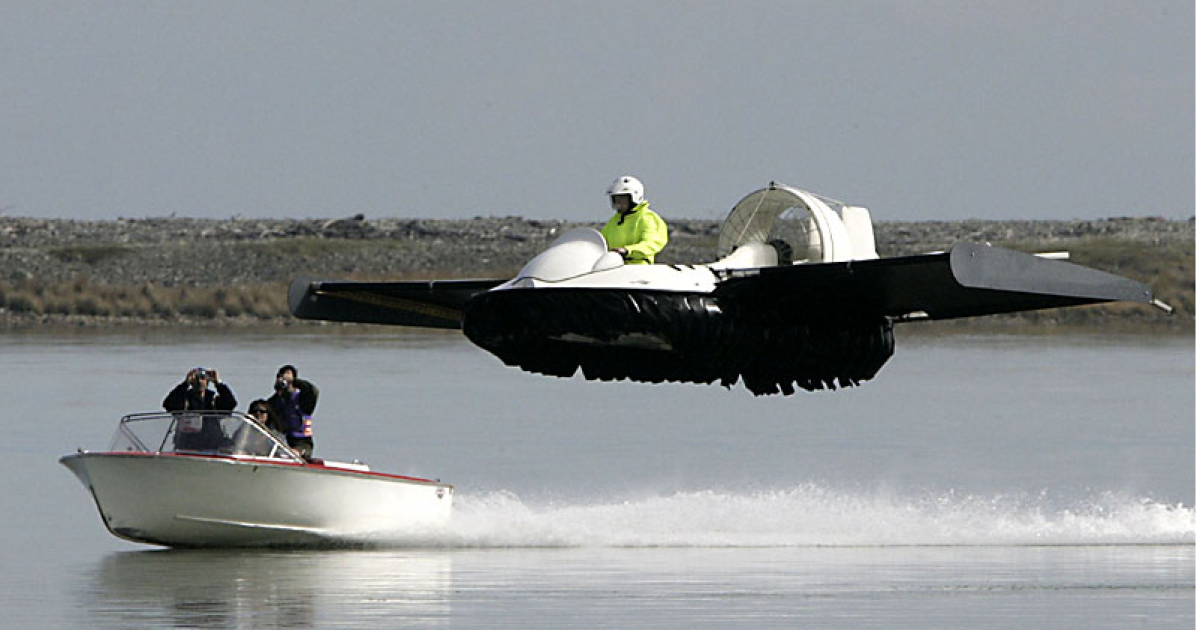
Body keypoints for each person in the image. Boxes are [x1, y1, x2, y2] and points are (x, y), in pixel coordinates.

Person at [162, 368, 237, 451]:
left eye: (203, 378)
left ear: (207, 382)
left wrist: (218, 383)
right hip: (186, 446)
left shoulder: (214, 400)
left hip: (213, 446)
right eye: (196, 378)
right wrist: (184, 384)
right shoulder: (184, 400)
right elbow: (168, 404)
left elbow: (231, 403)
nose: (199, 381)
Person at [600, 175, 668, 264]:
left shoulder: (646, 218)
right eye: (615, 199)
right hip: (613, 269)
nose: (618, 202)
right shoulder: (614, 221)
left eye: (622, 198)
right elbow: (601, 242)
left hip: (638, 270)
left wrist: (627, 250)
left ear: (634, 198)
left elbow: (652, 243)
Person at [267, 364, 319, 459]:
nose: (283, 378)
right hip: (281, 440)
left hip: (302, 442)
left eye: (287, 374)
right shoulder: (276, 401)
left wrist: (293, 381)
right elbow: (264, 410)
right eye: (281, 376)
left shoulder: (303, 400)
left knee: (290, 454)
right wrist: (278, 390)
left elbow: (313, 390)